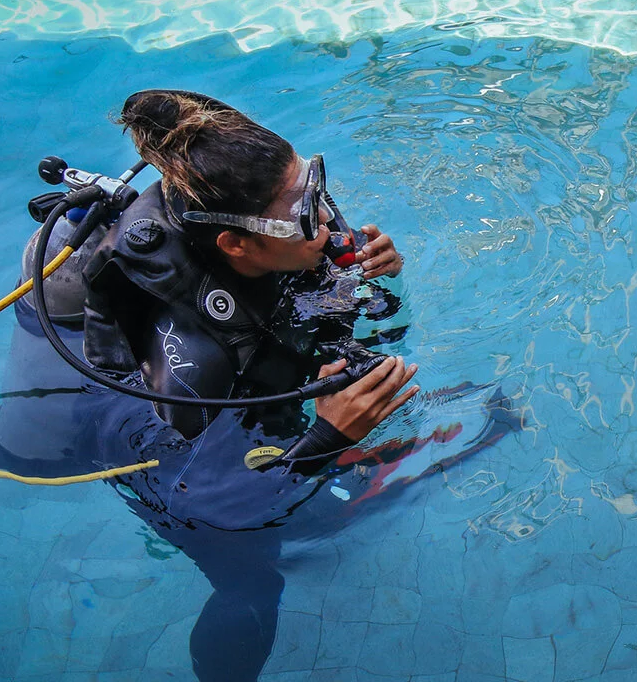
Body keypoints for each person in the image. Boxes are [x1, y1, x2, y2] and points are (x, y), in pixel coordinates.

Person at [74, 89, 420, 681]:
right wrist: (326, 438)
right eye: (303, 214)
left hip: (254, 365)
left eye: (315, 188)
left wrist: (370, 276)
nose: (326, 219)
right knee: (254, 576)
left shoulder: (278, 232)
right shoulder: (195, 366)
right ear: (236, 243)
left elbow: (337, 309)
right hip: (182, 470)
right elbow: (204, 504)